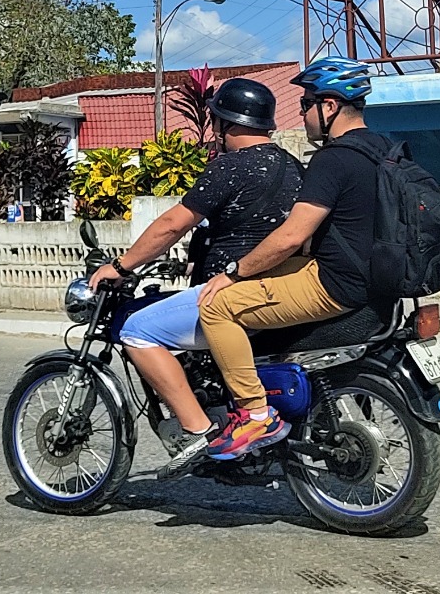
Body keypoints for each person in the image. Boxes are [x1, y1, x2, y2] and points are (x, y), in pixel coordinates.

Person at [86, 77, 302, 477]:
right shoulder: (292, 166)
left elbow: (172, 225)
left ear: (224, 123)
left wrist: (120, 266)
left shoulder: (232, 167)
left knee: (135, 329)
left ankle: (197, 433)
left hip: (230, 293)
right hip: (279, 292)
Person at [195, 56, 387, 462]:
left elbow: (291, 236)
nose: (302, 115)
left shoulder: (333, 159)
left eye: (305, 105)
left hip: (334, 284)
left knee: (217, 307)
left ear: (329, 107)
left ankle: (254, 413)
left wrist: (234, 271)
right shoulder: (386, 150)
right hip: (379, 283)